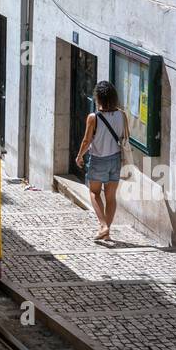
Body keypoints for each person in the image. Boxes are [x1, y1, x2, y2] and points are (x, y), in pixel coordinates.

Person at [75, 81, 128, 241]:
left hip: (99, 160)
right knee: (111, 197)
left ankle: (103, 226)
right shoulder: (122, 115)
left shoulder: (94, 117)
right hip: (115, 159)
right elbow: (125, 137)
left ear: (98, 97)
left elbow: (86, 141)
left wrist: (79, 156)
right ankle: (107, 232)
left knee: (94, 192)